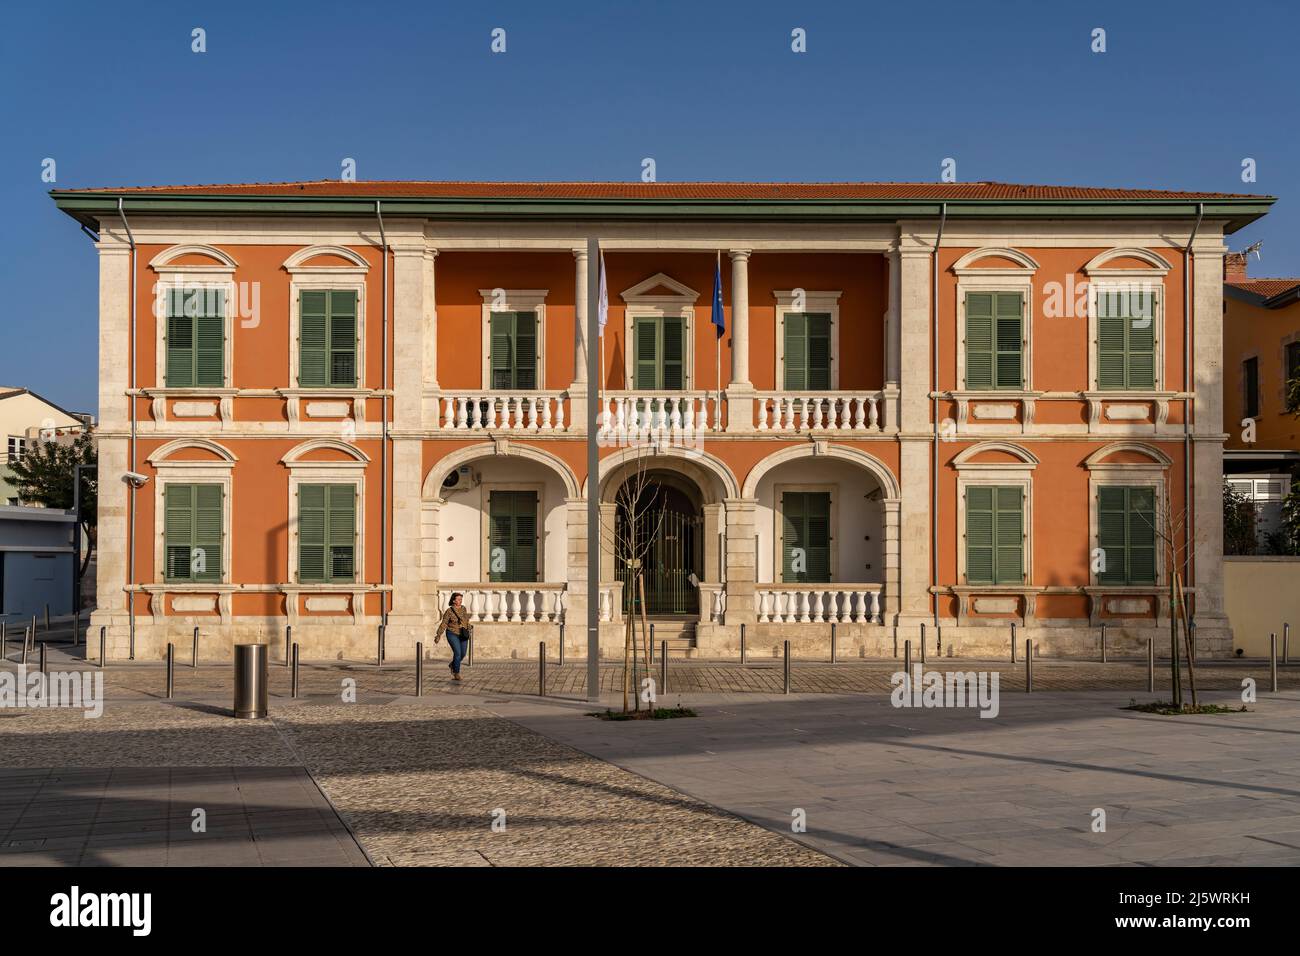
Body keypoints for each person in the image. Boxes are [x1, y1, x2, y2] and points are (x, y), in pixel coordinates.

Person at [435, 592, 472, 680]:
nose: (460, 601)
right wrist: (438, 635)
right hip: (452, 633)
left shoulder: (463, 609)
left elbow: (466, 620)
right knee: (458, 653)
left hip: (463, 633)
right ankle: (456, 673)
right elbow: (444, 623)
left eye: (461, 599)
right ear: (454, 600)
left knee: (463, 654)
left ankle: (452, 665)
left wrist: (468, 626)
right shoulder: (449, 611)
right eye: (458, 599)